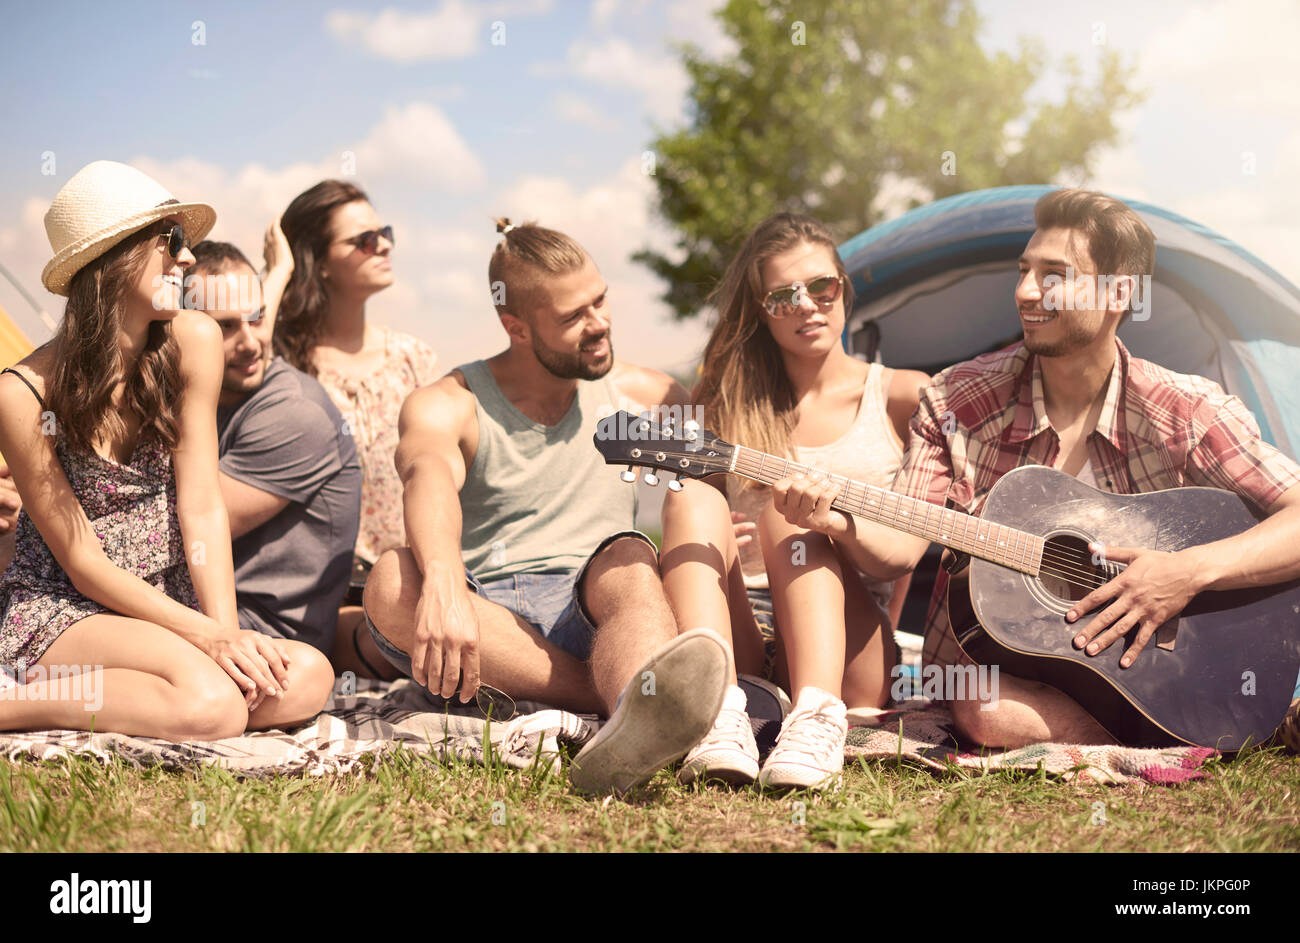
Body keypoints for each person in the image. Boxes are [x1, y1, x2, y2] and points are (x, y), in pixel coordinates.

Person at [845, 188, 1300, 748]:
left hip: (1153, 672)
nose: (1025, 292)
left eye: (1053, 274)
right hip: (1003, 680)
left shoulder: (1186, 411)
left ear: (1119, 292)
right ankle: (1182, 742)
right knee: (983, 708)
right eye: (1024, 271)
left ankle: (1179, 723)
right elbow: (897, 549)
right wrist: (837, 516)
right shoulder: (956, 401)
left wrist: (1186, 574)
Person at [361, 218, 729, 795]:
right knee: (389, 579)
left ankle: (635, 703)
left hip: (598, 608)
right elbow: (426, 475)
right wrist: (442, 582)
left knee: (631, 553)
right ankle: (638, 704)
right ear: (517, 327)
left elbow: (713, 491)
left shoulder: (650, 397)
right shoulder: (447, 403)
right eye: (573, 317)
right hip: (482, 632)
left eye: (600, 300)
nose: (600, 323)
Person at [0, 160, 333, 739]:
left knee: (309, 675)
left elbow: (202, 504)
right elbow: (82, 564)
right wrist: (209, 641)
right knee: (213, 706)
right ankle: (12, 702)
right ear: (114, 258)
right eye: (170, 241)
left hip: (168, 598)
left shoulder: (193, 342)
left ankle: (156, 695)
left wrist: (224, 631)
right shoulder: (21, 393)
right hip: (64, 608)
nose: (186, 258)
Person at [659, 213, 929, 790]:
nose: (806, 305)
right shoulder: (725, 396)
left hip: (851, 647)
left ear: (843, 289)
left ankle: (815, 716)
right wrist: (717, 544)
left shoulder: (903, 395)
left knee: (791, 512)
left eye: (821, 287)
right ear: (761, 310)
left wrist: (834, 525)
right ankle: (722, 712)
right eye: (782, 296)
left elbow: (906, 552)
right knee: (686, 500)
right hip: (744, 634)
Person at [274, 181, 439, 681]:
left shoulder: (415, 360)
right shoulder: (279, 365)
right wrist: (277, 273)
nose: (384, 245)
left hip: (415, 583)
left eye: (383, 232)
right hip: (324, 598)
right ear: (319, 262)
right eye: (364, 240)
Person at [185, 237, 362, 656]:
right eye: (225, 326)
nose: (250, 341)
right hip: (198, 611)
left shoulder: (294, 413)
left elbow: (172, 535)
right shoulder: (201, 395)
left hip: (264, 636)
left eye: (256, 318)